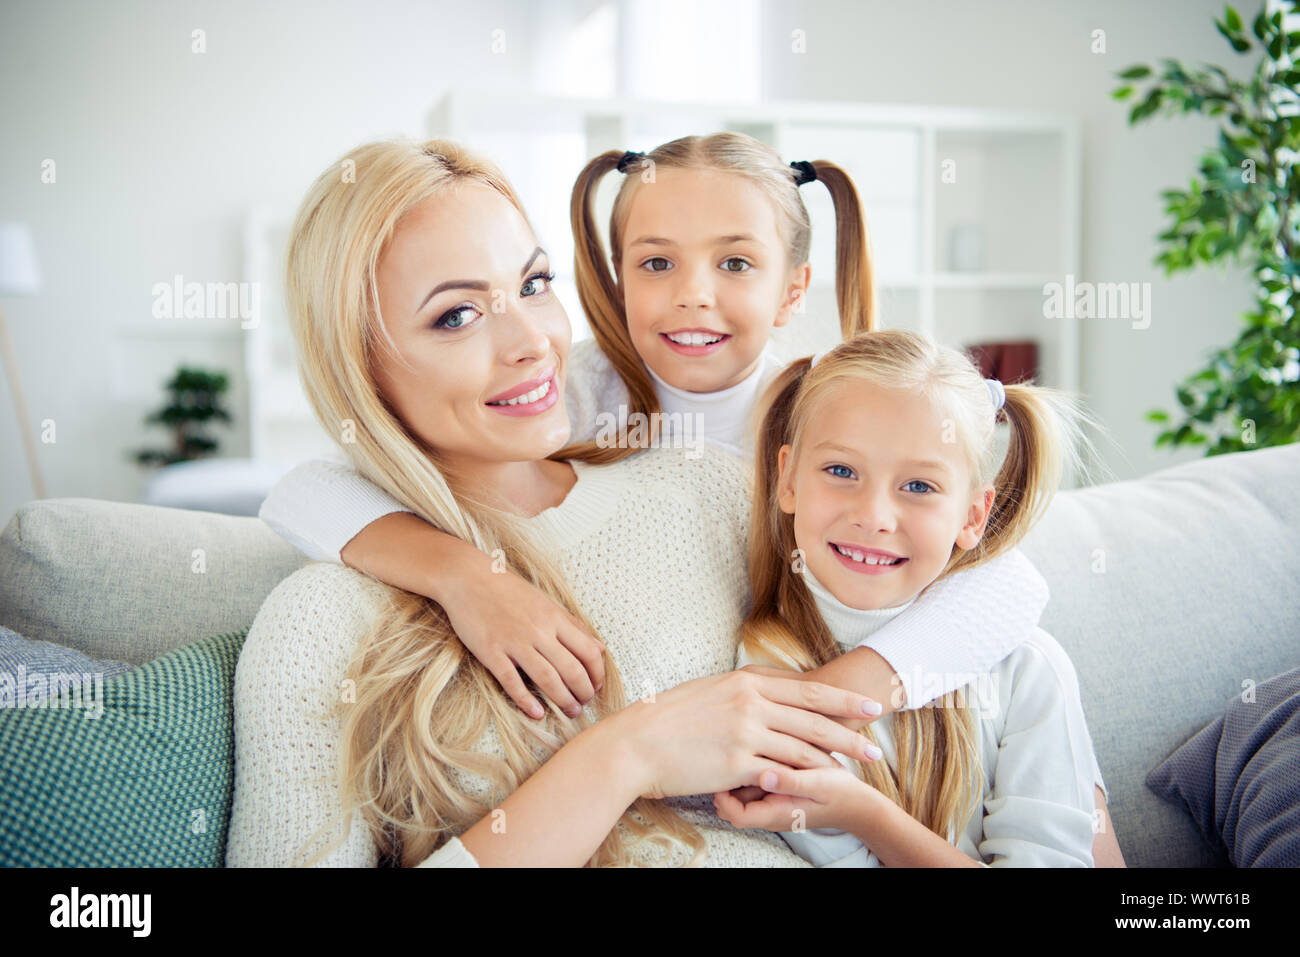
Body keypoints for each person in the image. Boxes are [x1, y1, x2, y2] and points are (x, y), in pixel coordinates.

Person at [258, 132, 1051, 729]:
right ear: (614, 274)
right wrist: (470, 578)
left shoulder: (834, 412)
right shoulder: (568, 384)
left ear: (791, 290)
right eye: (656, 263)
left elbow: (1012, 582)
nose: (692, 297)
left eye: (735, 264)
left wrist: (851, 690)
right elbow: (306, 489)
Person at [718, 332, 1104, 866]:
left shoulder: (1028, 670)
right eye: (841, 471)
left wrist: (864, 813)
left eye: (919, 486)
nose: (874, 515)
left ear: (973, 516)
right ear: (787, 478)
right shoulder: (769, 670)